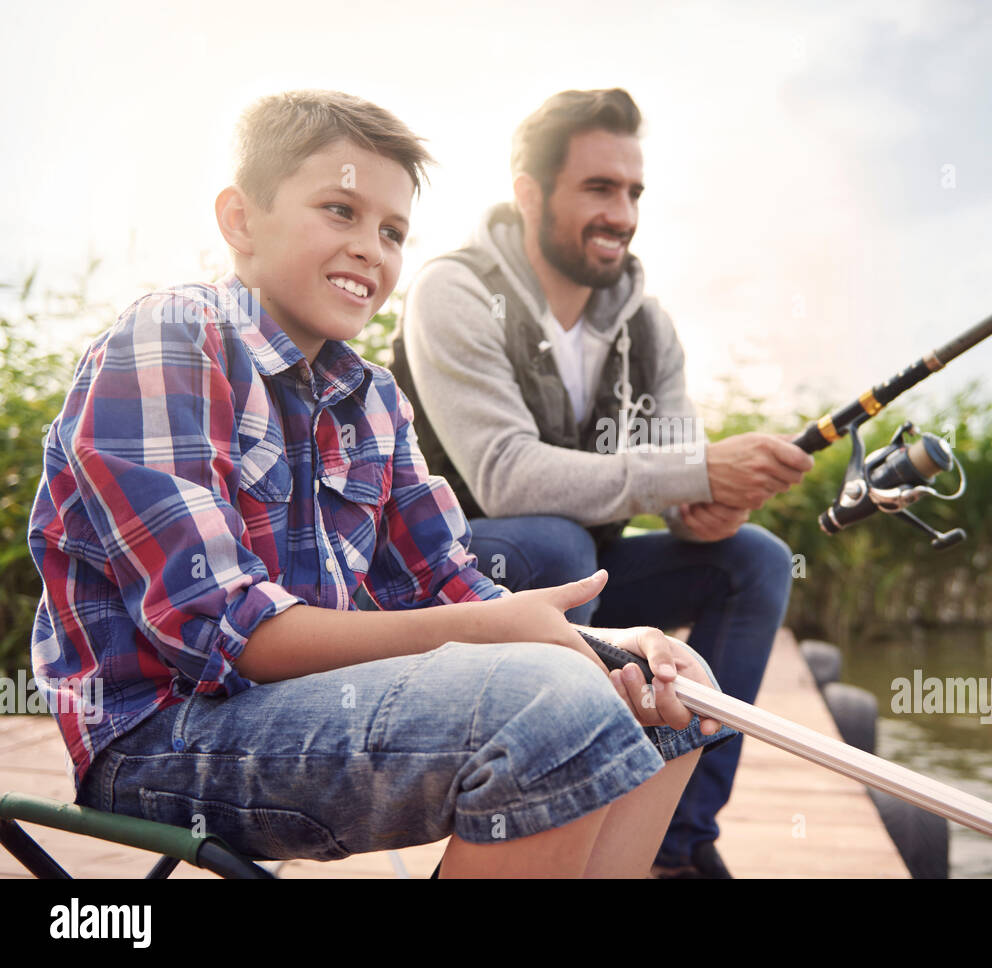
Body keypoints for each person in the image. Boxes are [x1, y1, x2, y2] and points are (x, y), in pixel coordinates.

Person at [26, 89, 737, 878]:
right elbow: (234, 635)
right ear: (240, 222)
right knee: (555, 707)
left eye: (392, 231)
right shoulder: (174, 338)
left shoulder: (373, 395)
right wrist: (502, 639)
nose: (371, 247)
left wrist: (610, 647)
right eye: (340, 210)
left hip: (305, 711)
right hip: (162, 738)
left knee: (673, 698)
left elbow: (450, 583)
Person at [393, 88, 814, 878]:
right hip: (450, 583)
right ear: (529, 194)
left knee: (752, 559)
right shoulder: (451, 291)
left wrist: (709, 506)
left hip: (582, 578)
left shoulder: (649, 325)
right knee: (555, 542)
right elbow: (505, 476)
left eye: (632, 192)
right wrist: (694, 468)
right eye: (598, 188)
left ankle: (676, 848)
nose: (621, 212)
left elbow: (677, 492)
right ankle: (540, 829)